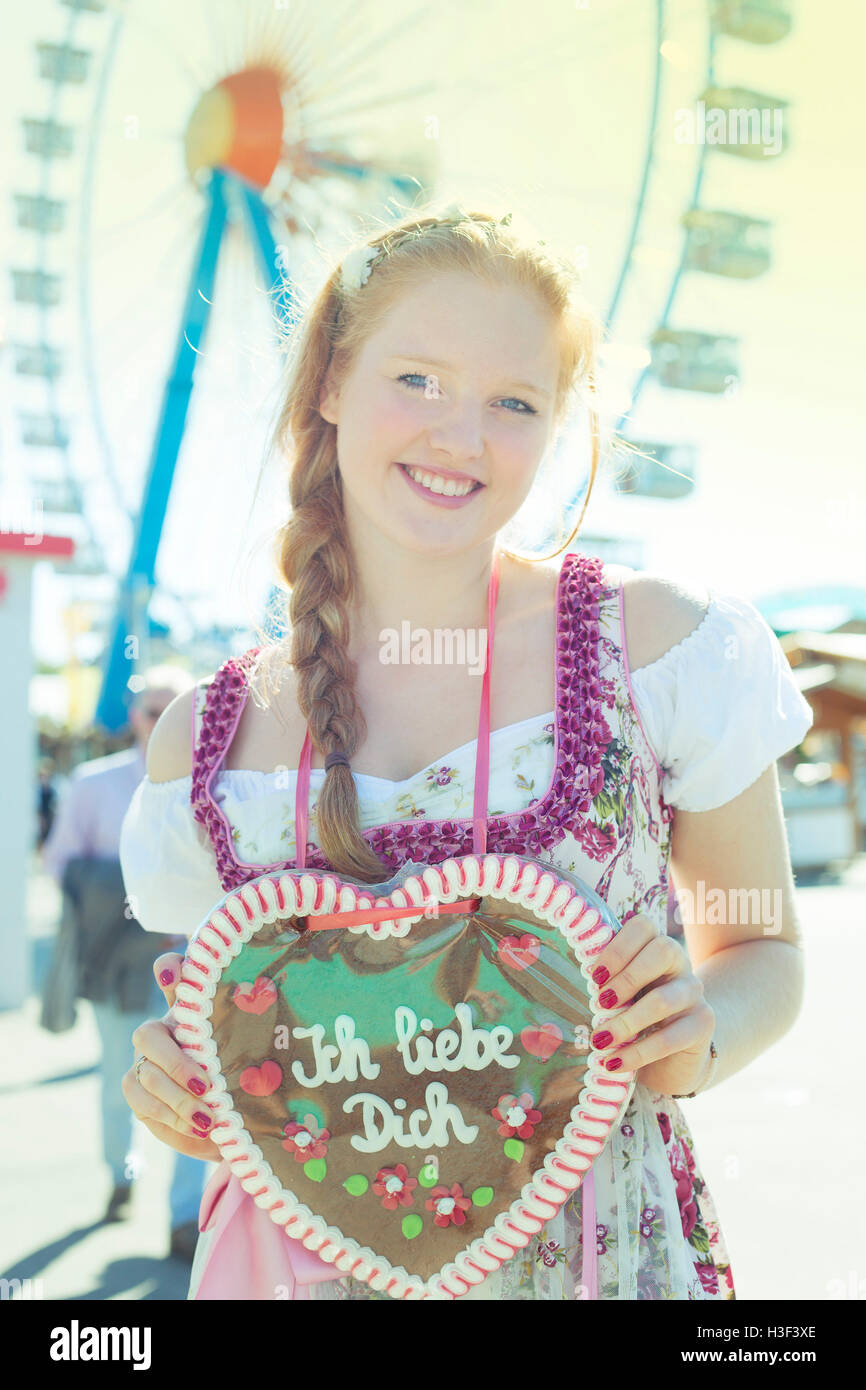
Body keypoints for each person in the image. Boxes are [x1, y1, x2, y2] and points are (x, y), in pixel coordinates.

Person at [118, 205, 813, 1300]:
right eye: (419, 381)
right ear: (332, 386)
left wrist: (700, 1024)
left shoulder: (661, 649)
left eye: (513, 402)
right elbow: (229, 1036)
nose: (459, 435)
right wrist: (182, 1087)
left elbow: (762, 950)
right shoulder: (205, 738)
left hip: (593, 1264)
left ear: (554, 426)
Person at [42, 667, 210, 1257]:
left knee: (201, 1086)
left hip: (191, 962)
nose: (161, 720)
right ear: (133, 718)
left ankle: (185, 1216)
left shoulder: (211, 782)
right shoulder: (92, 784)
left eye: (174, 708)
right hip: (115, 961)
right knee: (122, 1073)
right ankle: (121, 1174)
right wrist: (118, 894)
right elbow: (61, 860)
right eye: (150, 710)